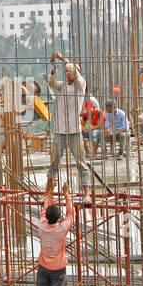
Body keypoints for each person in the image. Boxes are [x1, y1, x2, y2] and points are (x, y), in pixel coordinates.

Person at [32, 179, 76, 286]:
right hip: (58, 269)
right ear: (58, 218)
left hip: (43, 267)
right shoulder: (61, 228)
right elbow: (71, 214)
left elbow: (44, 210)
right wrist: (66, 194)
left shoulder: (42, 225)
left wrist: (49, 191)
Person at [47, 51, 91, 191]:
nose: (67, 73)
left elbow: (76, 73)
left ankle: (86, 193)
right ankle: (48, 192)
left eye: (70, 71)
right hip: (60, 129)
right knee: (54, 162)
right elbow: (51, 83)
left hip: (74, 130)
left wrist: (62, 58)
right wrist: (55, 67)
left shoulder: (80, 86)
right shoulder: (63, 86)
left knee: (81, 163)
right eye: (66, 71)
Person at [80, 90, 103, 157]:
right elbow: (82, 124)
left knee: (96, 133)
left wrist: (91, 127)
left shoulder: (91, 99)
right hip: (90, 123)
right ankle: (87, 152)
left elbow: (100, 125)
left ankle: (94, 153)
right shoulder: (85, 99)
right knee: (79, 133)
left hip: (95, 123)